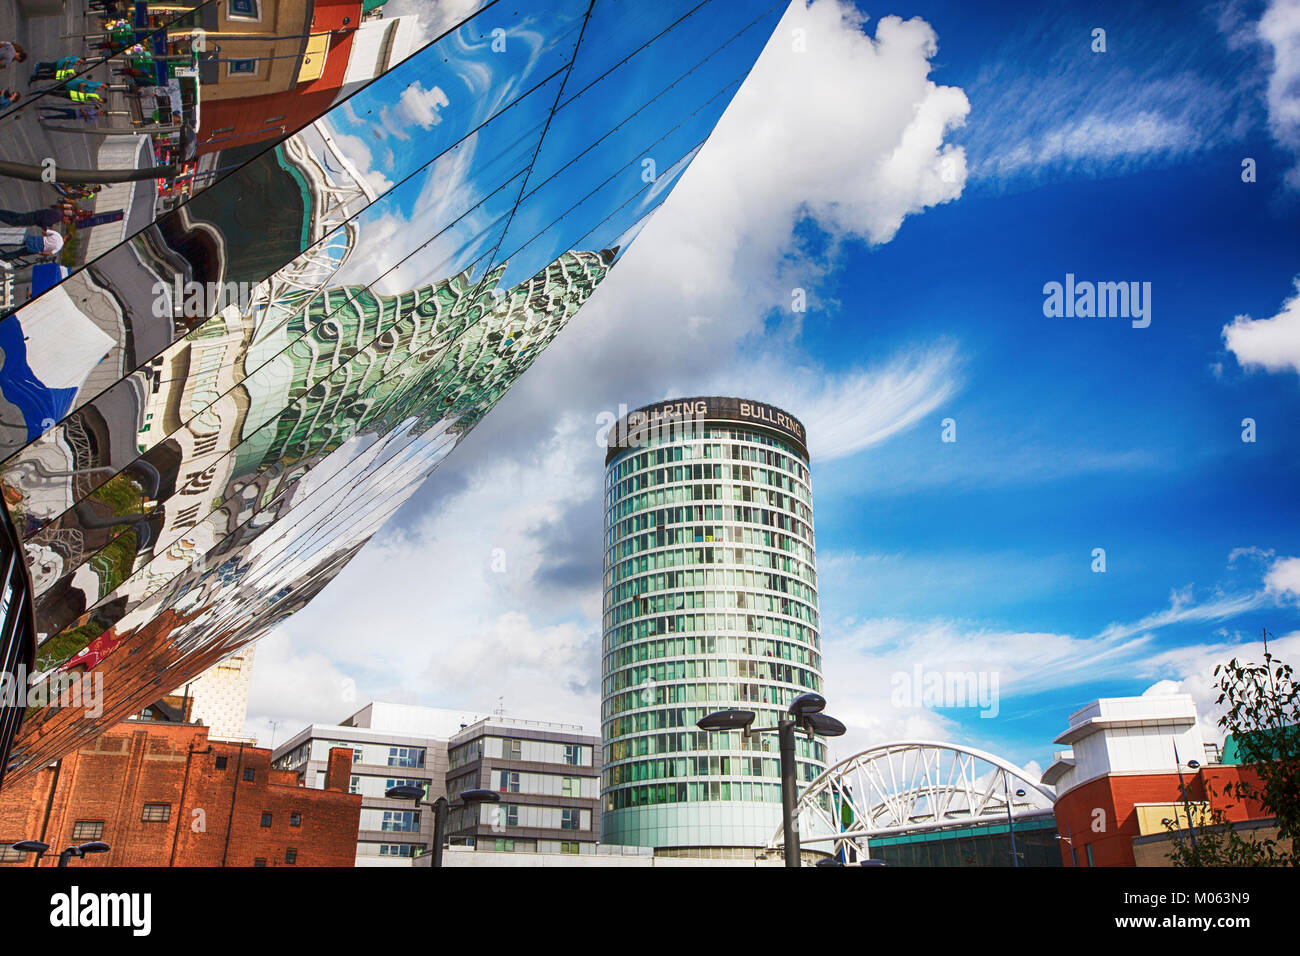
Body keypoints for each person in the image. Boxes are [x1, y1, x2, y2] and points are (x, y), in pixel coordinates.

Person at [0, 228, 64, 262]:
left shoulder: (58, 235)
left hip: (38, 240)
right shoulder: (59, 247)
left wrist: (46, 236)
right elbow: (49, 253)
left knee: (17, 242)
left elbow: (44, 232)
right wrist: (41, 253)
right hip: (39, 248)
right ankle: (2, 258)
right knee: (17, 253)